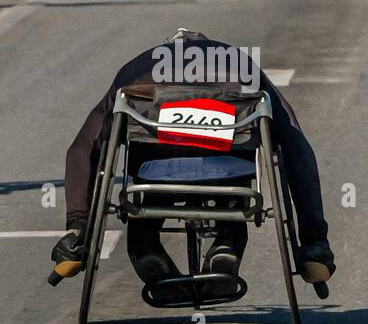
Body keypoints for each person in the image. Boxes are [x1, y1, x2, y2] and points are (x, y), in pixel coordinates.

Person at [50, 31, 335, 297]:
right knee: (245, 136)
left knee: (141, 141)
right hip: (228, 170)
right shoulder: (240, 64)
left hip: (157, 172)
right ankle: (228, 242)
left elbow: (83, 148)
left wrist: (79, 227)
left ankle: (144, 242)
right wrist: (314, 240)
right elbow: (296, 146)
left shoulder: (136, 69)